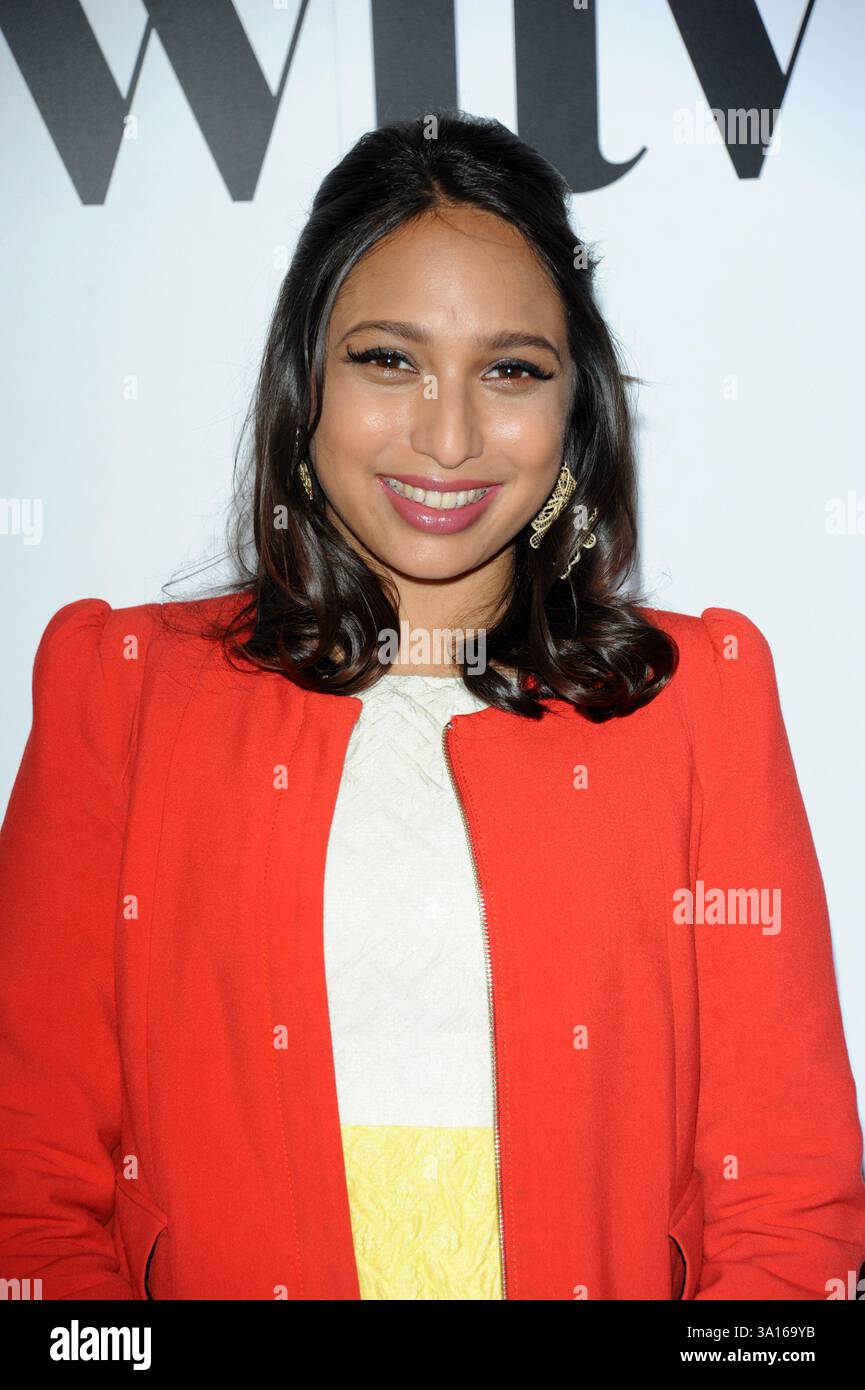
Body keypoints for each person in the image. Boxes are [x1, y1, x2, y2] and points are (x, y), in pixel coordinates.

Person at [1, 111, 864, 1302]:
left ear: (576, 409)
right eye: (387, 359)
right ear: (305, 378)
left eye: (511, 369)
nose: (448, 436)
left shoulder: (696, 699)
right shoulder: (123, 694)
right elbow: (31, 1184)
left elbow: (783, 1198)